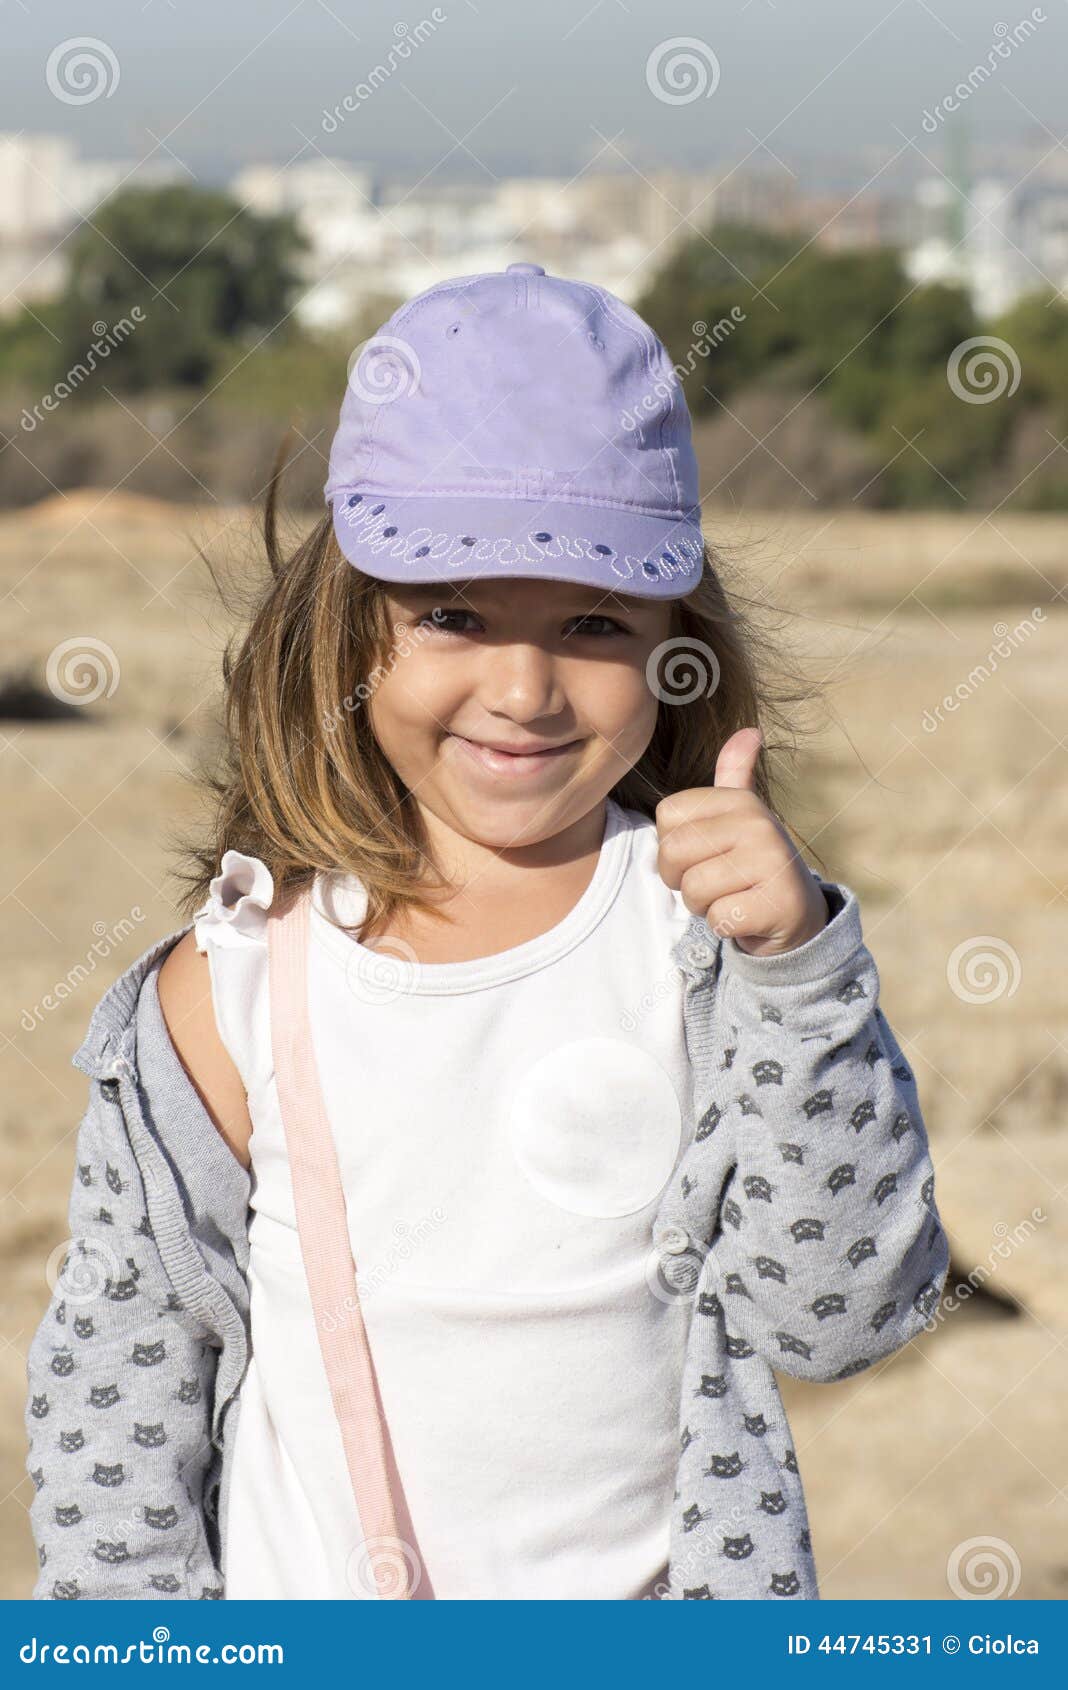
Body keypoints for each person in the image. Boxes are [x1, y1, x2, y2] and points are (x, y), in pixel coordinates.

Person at [24, 262, 949, 1601]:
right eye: (453, 614)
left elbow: (841, 1317)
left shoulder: (705, 951)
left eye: (592, 623)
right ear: (347, 629)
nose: (523, 691)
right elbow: (116, 1391)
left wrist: (803, 973)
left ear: (676, 644)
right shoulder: (227, 989)